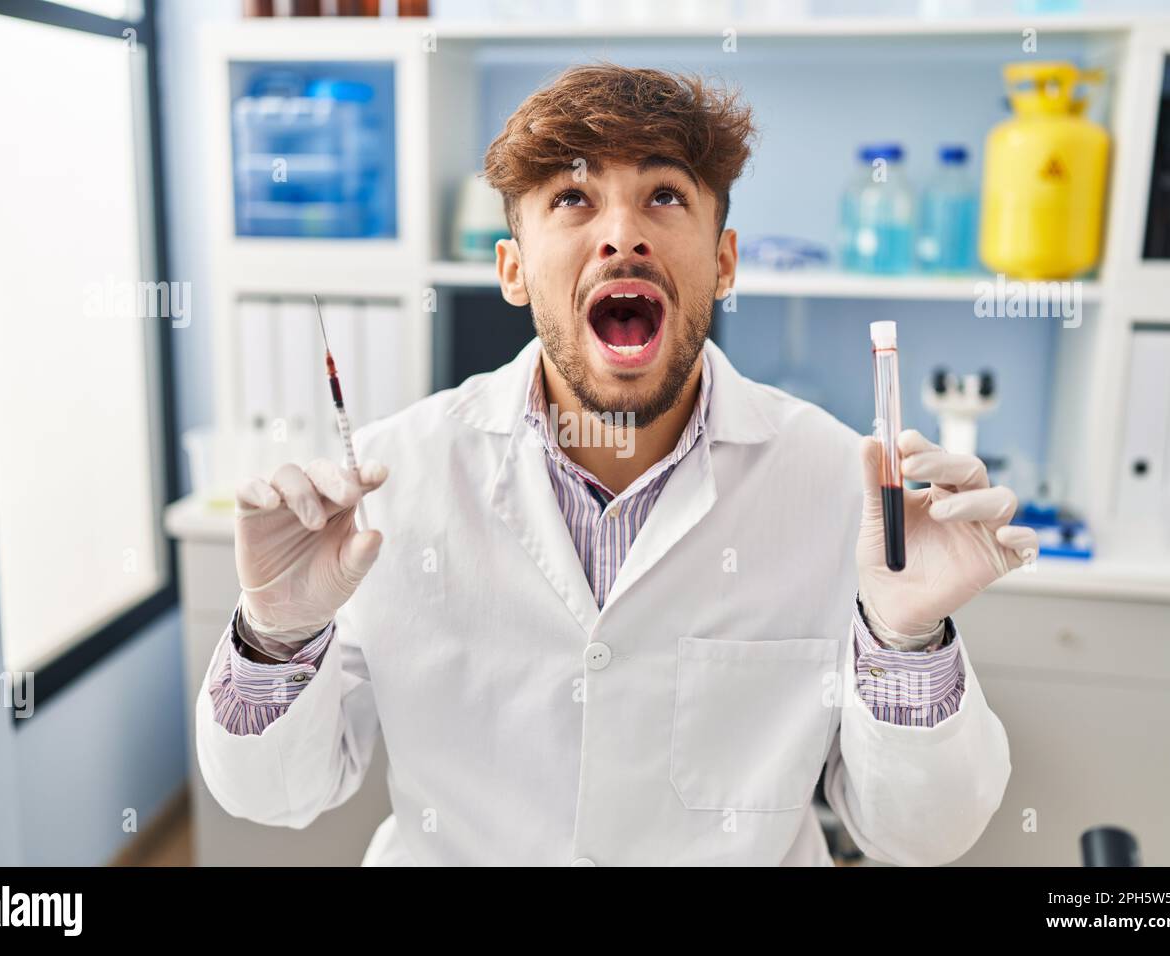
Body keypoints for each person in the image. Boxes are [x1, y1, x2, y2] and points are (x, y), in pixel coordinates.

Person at [196, 64, 1037, 866]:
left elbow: (924, 836)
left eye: (664, 196)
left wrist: (907, 640)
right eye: (572, 198)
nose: (622, 233)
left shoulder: (837, 486)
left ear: (723, 261)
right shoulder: (388, 479)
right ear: (514, 269)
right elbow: (273, 797)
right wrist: (276, 636)